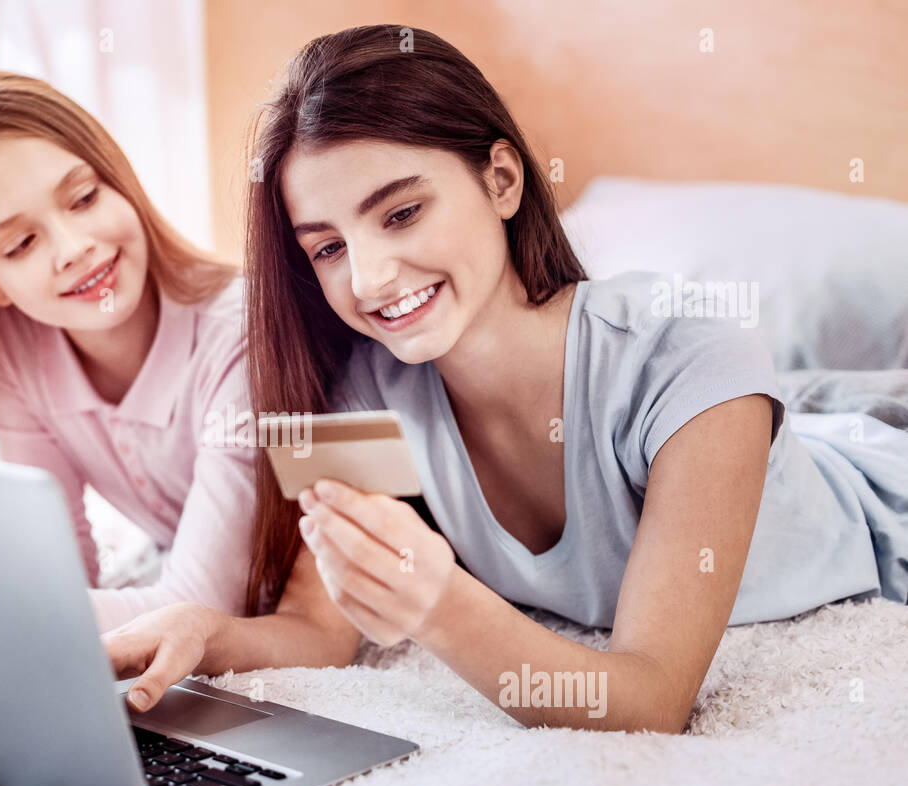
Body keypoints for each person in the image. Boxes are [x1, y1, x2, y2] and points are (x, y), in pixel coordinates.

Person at [103, 25, 908, 732]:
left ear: (502, 181)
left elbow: (651, 700)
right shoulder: (362, 385)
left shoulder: (689, 359)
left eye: (401, 213)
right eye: (328, 247)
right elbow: (320, 627)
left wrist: (442, 605)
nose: (374, 277)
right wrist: (206, 632)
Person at [0, 70, 256, 633]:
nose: (75, 249)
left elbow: (199, 604)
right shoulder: (15, 340)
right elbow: (61, 571)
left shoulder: (240, 330)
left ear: (118, 181)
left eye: (84, 198)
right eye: (21, 244)